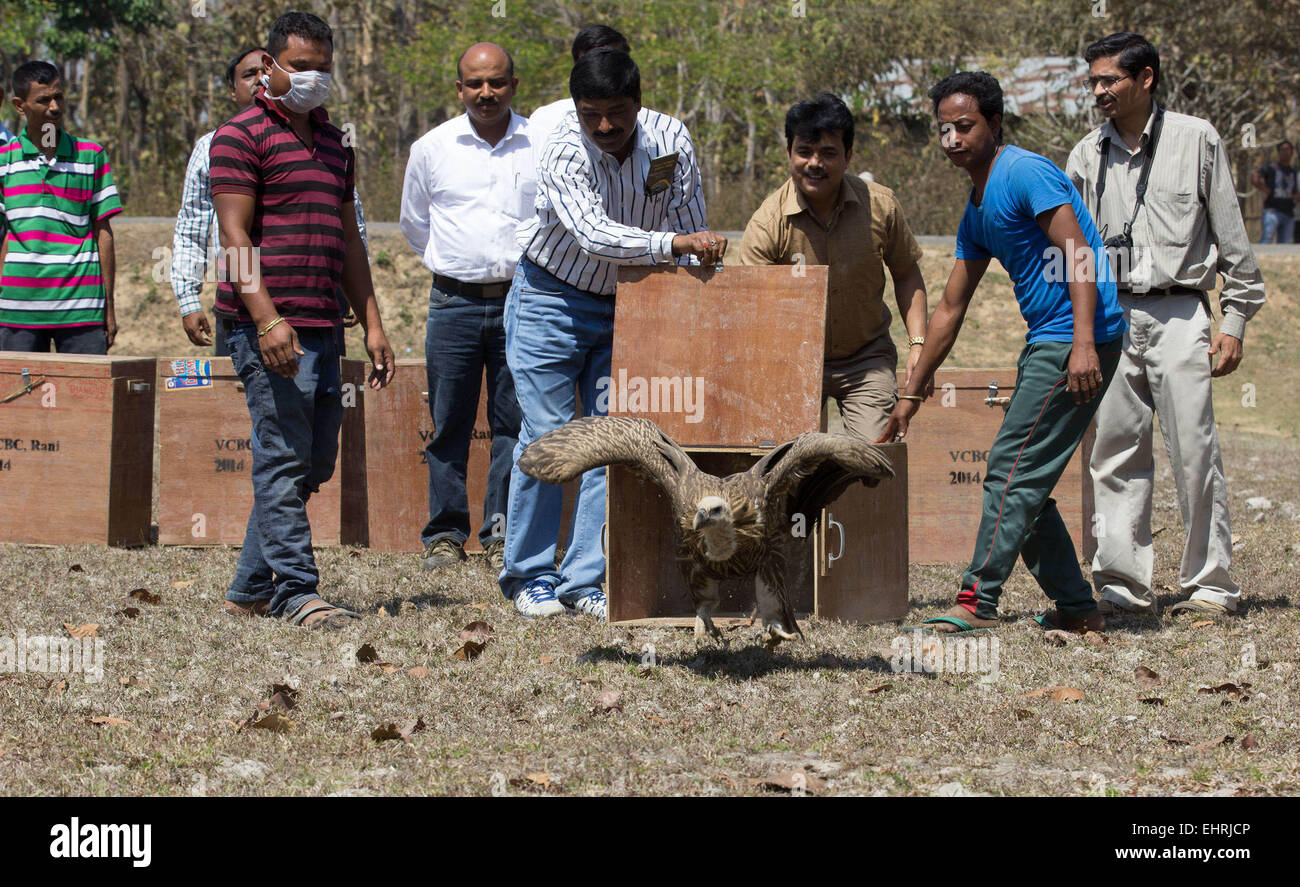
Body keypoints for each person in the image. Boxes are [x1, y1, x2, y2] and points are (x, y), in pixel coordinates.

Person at [881, 71, 1127, 634]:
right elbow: (948, 309)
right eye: (943, 129)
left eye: (964, 126)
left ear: (994, 124)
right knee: (1026, 478)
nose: (951, 140)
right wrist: (912, 392)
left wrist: (1084, 345)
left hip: (1075, 338)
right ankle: (1077, 608)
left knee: (1010, 472)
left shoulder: (1025, 173)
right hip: (1049, 339)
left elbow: (1080, 256)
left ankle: (977, 600)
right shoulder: (978, 208)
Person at [502, 48, 722, 619]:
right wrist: (673, 247)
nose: (604, 125)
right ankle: (528, 575)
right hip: (551, 300)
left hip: (631, 306)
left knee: (615, 442)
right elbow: (594, 236)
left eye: (617, 111)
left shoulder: (670, 139)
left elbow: (687, 216)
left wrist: (700, 261)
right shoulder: (563, 150)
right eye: (591, 112)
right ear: (576, 110)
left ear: (639, 102)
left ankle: (584, 579)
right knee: (549, 434)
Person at [1067, 33, 1265, 618]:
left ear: (1145, 78)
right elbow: (1075, 255)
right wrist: (1076, 333)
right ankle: (1123, 586)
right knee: (1114, 451)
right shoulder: (1084, 156)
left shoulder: (1196, 139)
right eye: (1093, 82)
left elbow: (1234, 243)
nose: (1099, 91)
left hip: (1182, 309)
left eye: (1110, 80)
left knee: (1195, 450)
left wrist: (1233, 321)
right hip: (1110, 315)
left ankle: (1210, 586)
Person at [212, 11, 395, 628]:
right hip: (269, 326)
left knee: (313, 462)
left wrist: (372, 323)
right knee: (283, 458)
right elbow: (233, 233)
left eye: (323, 66)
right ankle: (296, 591)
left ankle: (248, 587)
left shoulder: (336, 140)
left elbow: (349, 237)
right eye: (300, 66)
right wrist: (265, 320)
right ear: (270, 66)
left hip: (324, 322)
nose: (313, 77)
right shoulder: (239, 135)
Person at [399, 42, 531, 575]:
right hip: (452, 301)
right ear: (459, 89)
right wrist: (459, 264)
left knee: (511, 425)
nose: (486, 93)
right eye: (474, 83)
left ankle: (501, 534)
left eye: (496, 82)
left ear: (513, 85)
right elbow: (414, 225)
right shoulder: (431, 148)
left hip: (522, 302)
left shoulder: (538, 145)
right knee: (449, 421)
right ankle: (445, 537)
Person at [739, 92, 931, 442]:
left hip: (866, 359)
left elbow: (906, 273)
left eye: (828, 153)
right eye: (804, 152)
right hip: (792, 364)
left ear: (848, 156)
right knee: (793, 468)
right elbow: (748, 312)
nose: (815, 163)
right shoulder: (767, 223)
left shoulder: (881, 206)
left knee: (873, 462)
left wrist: (918, 343)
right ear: (788, 153)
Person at [171, 47, 368, 355]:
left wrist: (353, 293)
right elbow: (193, 226)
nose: (259, 79)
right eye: (247, 75)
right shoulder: (212, 145)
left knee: (325, 398)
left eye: (263, 71)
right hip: (244, 311)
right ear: (233, 91)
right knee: (246, 399)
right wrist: (188, 297)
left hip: (318, 306)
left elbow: (349, 226)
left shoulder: (327, 142)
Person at [0, 61, 121, 354]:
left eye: (59, 97)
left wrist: (109, 306)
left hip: (82, 310)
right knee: (19, 399)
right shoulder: (4, 160)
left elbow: (103, 233)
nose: (55, 107)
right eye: (44, 100)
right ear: (20, 106)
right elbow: (7, 236)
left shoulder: (91, 156)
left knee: (88, 398)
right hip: (17, 311)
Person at [1250, 140, 1297, 245]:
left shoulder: (1293, 172)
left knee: (1285, 246)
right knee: (1267, 238)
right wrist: (1264, 189)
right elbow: (1254, 178)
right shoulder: (1271, 168)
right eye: (1283, 149)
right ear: (1278, 152)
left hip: (1289, 213)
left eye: (1288, 149)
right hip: (1272, 211)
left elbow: (1295, 191)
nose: (1285, 152)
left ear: (1292, 152)